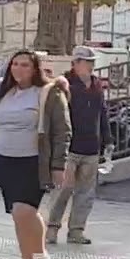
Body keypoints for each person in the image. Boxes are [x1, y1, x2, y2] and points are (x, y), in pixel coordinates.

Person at [0, 50, 71, 259]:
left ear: (35, 69)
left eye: (25, 65)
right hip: (5, 159)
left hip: (33, 161)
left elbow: (62, 131)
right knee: (17, 214)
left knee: (26, 210)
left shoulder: (48, 93)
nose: (18, 69)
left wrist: (59, 165)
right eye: (15, 64)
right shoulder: (4, 91)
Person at [46, 46, 111, 245]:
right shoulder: (66, 85)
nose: (90, 66)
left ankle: (76, 230)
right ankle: (51, 228)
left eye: (92, 62)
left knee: (85, 193)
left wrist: (108, 140)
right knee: (63, 190)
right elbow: (56, 116)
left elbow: (102, 113)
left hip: (91, 147)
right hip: (69, 148)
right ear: (75, 63)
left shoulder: (96, 85)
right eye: (86, 62)